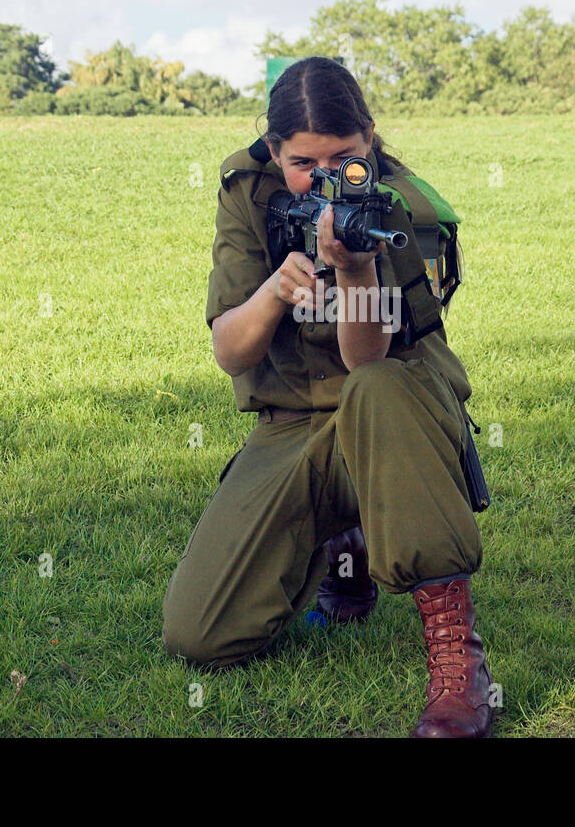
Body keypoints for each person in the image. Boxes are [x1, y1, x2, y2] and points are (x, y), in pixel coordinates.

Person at [161, 56, 493, 738]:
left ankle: (460, 662)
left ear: (369, 140)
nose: (324, 176)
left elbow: (366, 356)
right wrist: (276, 290)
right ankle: (344, 544)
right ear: (273, 149)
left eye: (344, 157)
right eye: (303, 162)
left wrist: (356, 266)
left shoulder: (397, 210)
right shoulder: (248, 193)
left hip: (397, 410)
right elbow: (231, 349)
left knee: (371, 387)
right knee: (199, 634)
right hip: (296, 421)